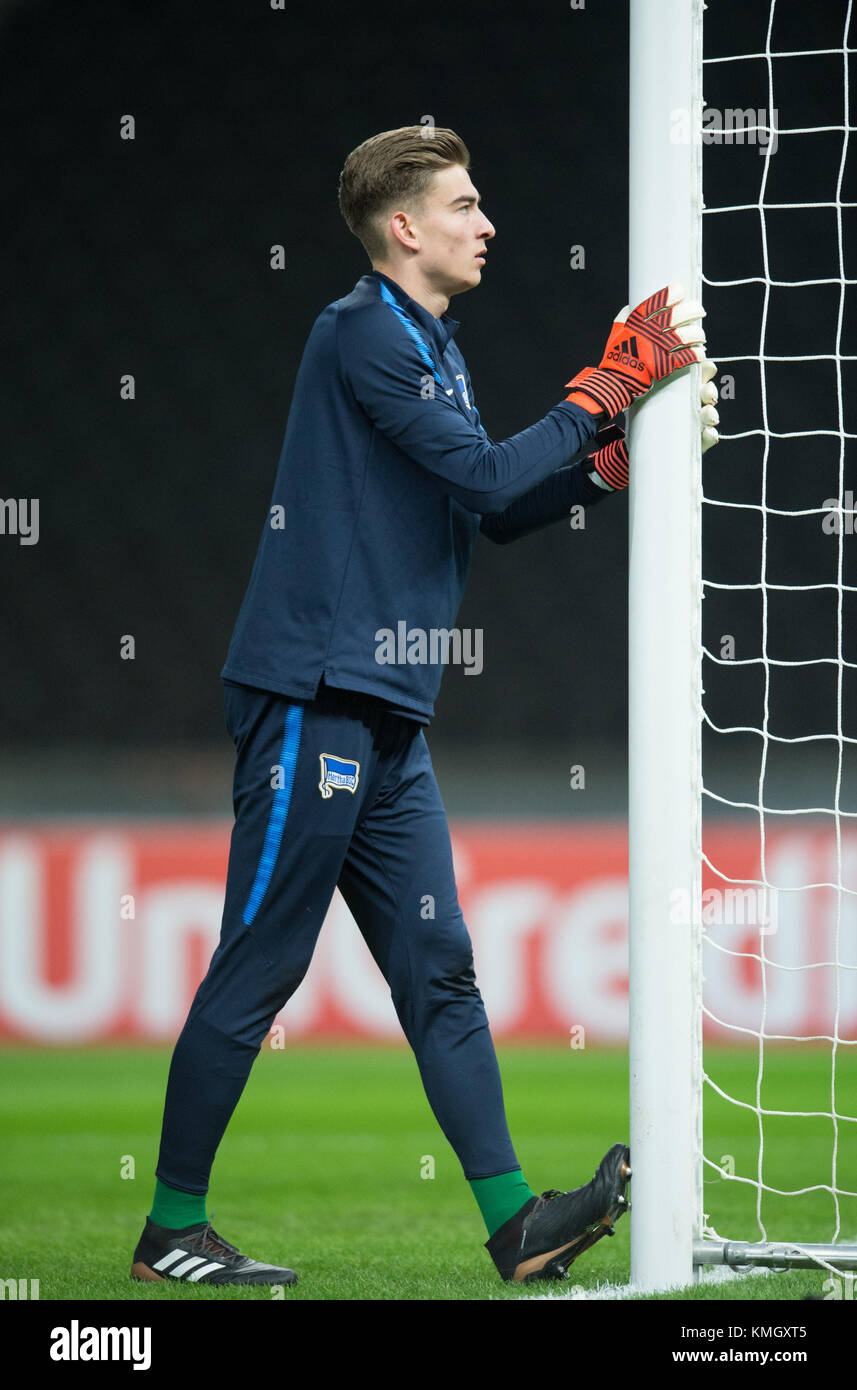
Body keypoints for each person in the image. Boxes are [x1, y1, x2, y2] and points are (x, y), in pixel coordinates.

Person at [130, 125, 717, 1289]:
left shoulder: (430, 347)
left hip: (386, 708)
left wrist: (610, 463)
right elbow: (492, 476)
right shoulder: (358, 332)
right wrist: (611, 385)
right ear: (405, 227)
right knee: (258, 964)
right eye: (463, 205)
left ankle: (516, 1225)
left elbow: (491, 506)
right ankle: (169, 1231)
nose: (485, 223)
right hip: (313, 696)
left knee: (439, 966)